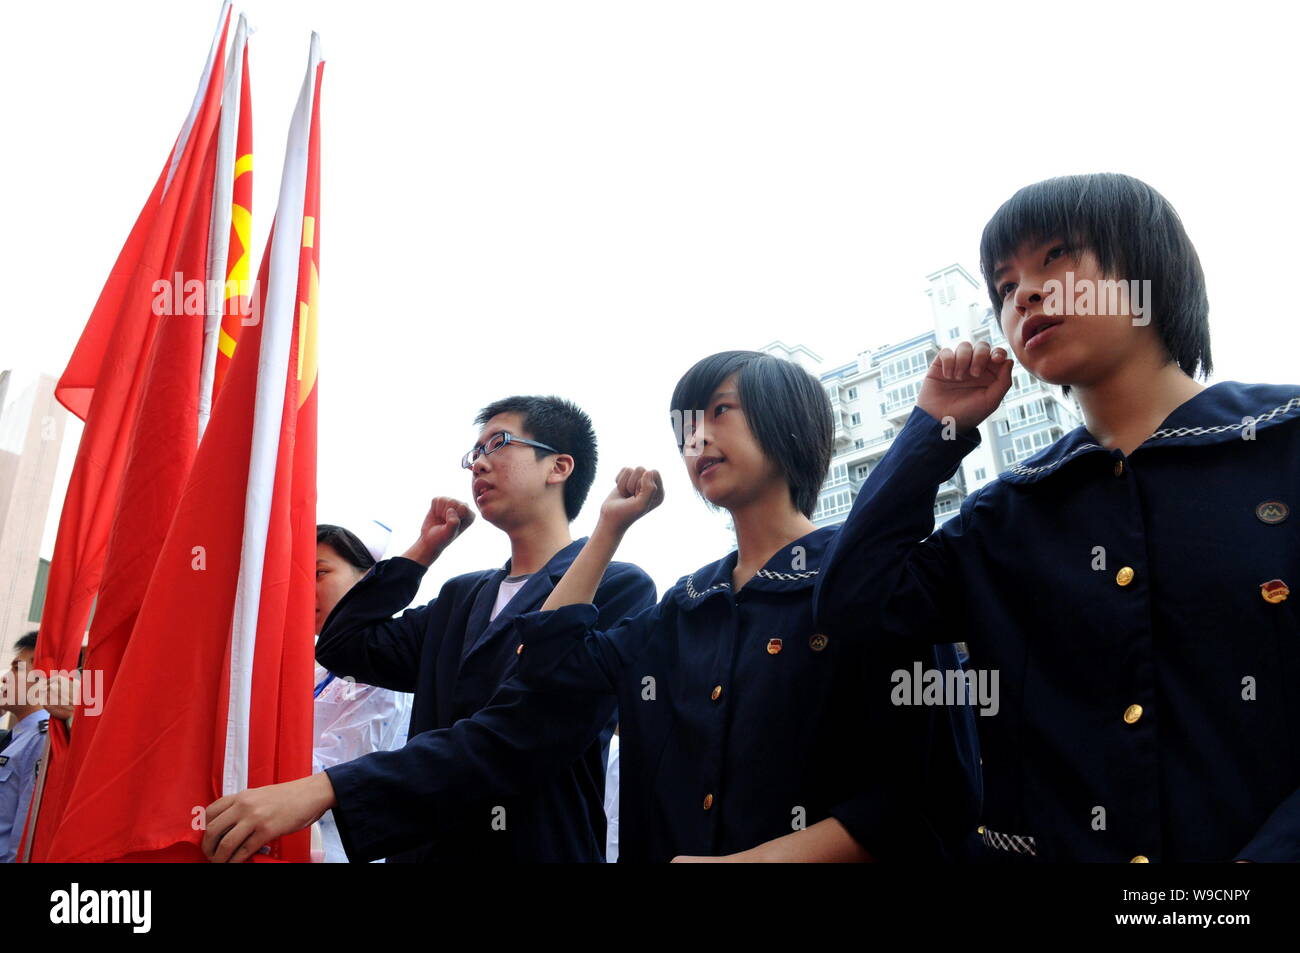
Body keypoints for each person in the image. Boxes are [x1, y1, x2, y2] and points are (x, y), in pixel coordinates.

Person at [816, 172, 1300, 862]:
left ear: (1146, 266)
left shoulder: (1282, 442)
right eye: (1005, 286)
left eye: (1057, 257)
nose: (1026, 295)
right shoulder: (1006, 514)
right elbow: (854, 608)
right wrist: (934, 432)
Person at [509, 351, 981, 861]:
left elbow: (930, 798)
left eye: (719, 411)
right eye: (685, 430)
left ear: (786, 419)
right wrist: (609, 528)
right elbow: (545, 662)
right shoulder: (684, 607)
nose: (696, 440)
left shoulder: (872, 583)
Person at [202, 396, 657, 863]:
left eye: (497, 444)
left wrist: (327, 787)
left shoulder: (618, 586)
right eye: (472, 455)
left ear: (558, 466)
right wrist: (421, 552)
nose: (478, 464)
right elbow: (345, 645)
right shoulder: (463, 597)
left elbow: (525, 731)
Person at [312, 524, 413, 863]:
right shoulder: (314, 668)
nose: (304, 589)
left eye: (319, 573)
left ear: (367, 579)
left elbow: (336, 780)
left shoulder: (383, 671)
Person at [0, 633, 49, 863]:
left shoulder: (42, 739)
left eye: (16, 669)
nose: (5, 678)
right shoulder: (18, 736)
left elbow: (24, 833)